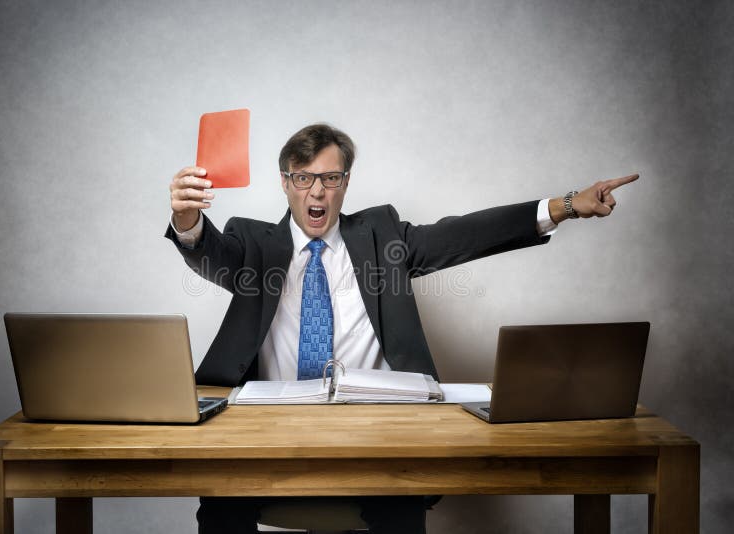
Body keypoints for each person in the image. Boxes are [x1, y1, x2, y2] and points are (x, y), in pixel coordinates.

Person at [164, 123, 638, 534]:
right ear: (285, 182)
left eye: (330, 178)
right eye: (303, 177)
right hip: (268, 433)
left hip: (375, 435)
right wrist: (188, 220)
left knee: (401, 502)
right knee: (221, 503)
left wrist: (565, 205)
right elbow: (212, 254)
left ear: (346, 182)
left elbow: (465, 234)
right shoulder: (251, 242)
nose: (317, 192)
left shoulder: (382, 235)